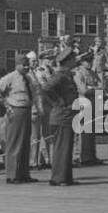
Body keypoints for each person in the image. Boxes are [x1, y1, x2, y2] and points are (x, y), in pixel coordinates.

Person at [0, 53, 37, 183]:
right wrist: (5, 103)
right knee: (15, 143)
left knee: (25, 144)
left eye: (28, 65)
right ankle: (12, 175)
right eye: (24, 65)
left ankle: (23, 173)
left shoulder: (28, 78)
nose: (27, 67)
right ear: (17, 65)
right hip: (15, 111)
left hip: (26, 111)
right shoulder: (10, 77)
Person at [42, 44, 82, 186]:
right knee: (61, 147)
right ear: (68, 61)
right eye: (73, 59)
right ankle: (58, 178)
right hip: (61, 115)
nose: (75, 61)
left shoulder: (67, 75)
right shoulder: (60, 75)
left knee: (67, 147)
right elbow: (46, 88)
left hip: (68, 115)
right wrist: (59, 101)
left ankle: (66, 177)